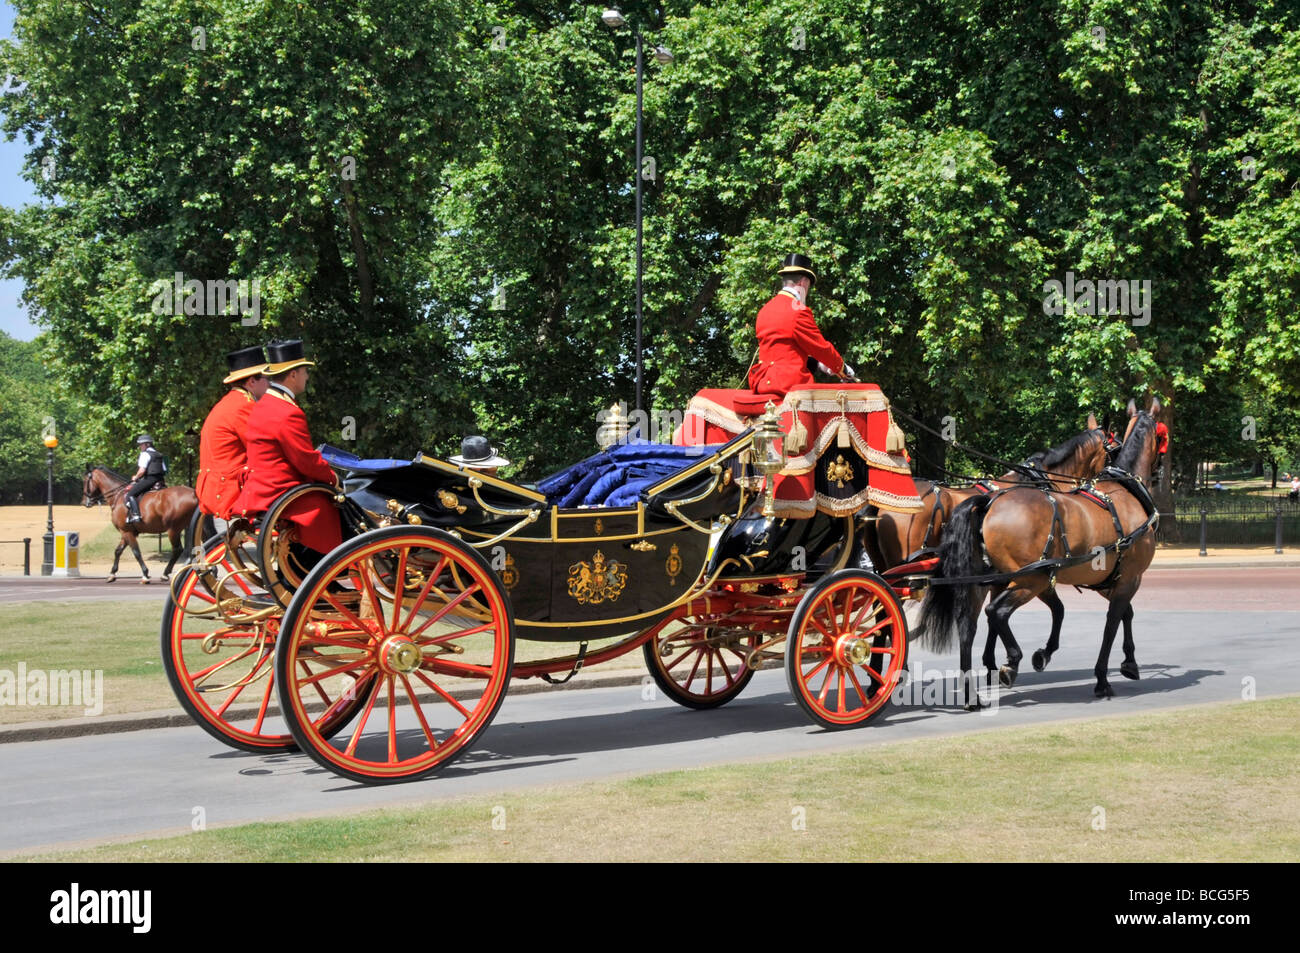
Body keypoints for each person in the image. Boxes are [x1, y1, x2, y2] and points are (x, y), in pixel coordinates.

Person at [234, 340, 341, 555]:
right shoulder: (286, 411)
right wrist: (334, 479)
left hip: (265, 487)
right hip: (281, 490)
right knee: (335, 506)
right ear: (293, 375)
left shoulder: (265, 404)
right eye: (304, 372)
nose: (307, 377)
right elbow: (305, 461)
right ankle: (328, 565)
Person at [747, 253, 854, 398]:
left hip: (762, 382)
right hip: (788, 386)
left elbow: (785, 352)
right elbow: (820, 347)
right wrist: (842, 369)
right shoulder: (797, 310)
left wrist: (819, 364)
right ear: (803, 282)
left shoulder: (765, 310)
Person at [196, 346, 269, 521]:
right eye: (267, 378)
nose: (270, 384)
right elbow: (265, 450)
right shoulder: (244, 405)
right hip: (231, 490)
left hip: (216, 486)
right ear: (252, 381)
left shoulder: (229, 402)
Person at [124, 434, 167, 526]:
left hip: (150, 479)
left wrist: (135, 477)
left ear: (147, 444)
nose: (140, 447)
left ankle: (136, 515)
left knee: (130, 494)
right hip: (160, 480)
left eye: (141, 444)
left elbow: (142, 470)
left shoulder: (145, 454)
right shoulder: (159, 454)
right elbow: (164, 469)